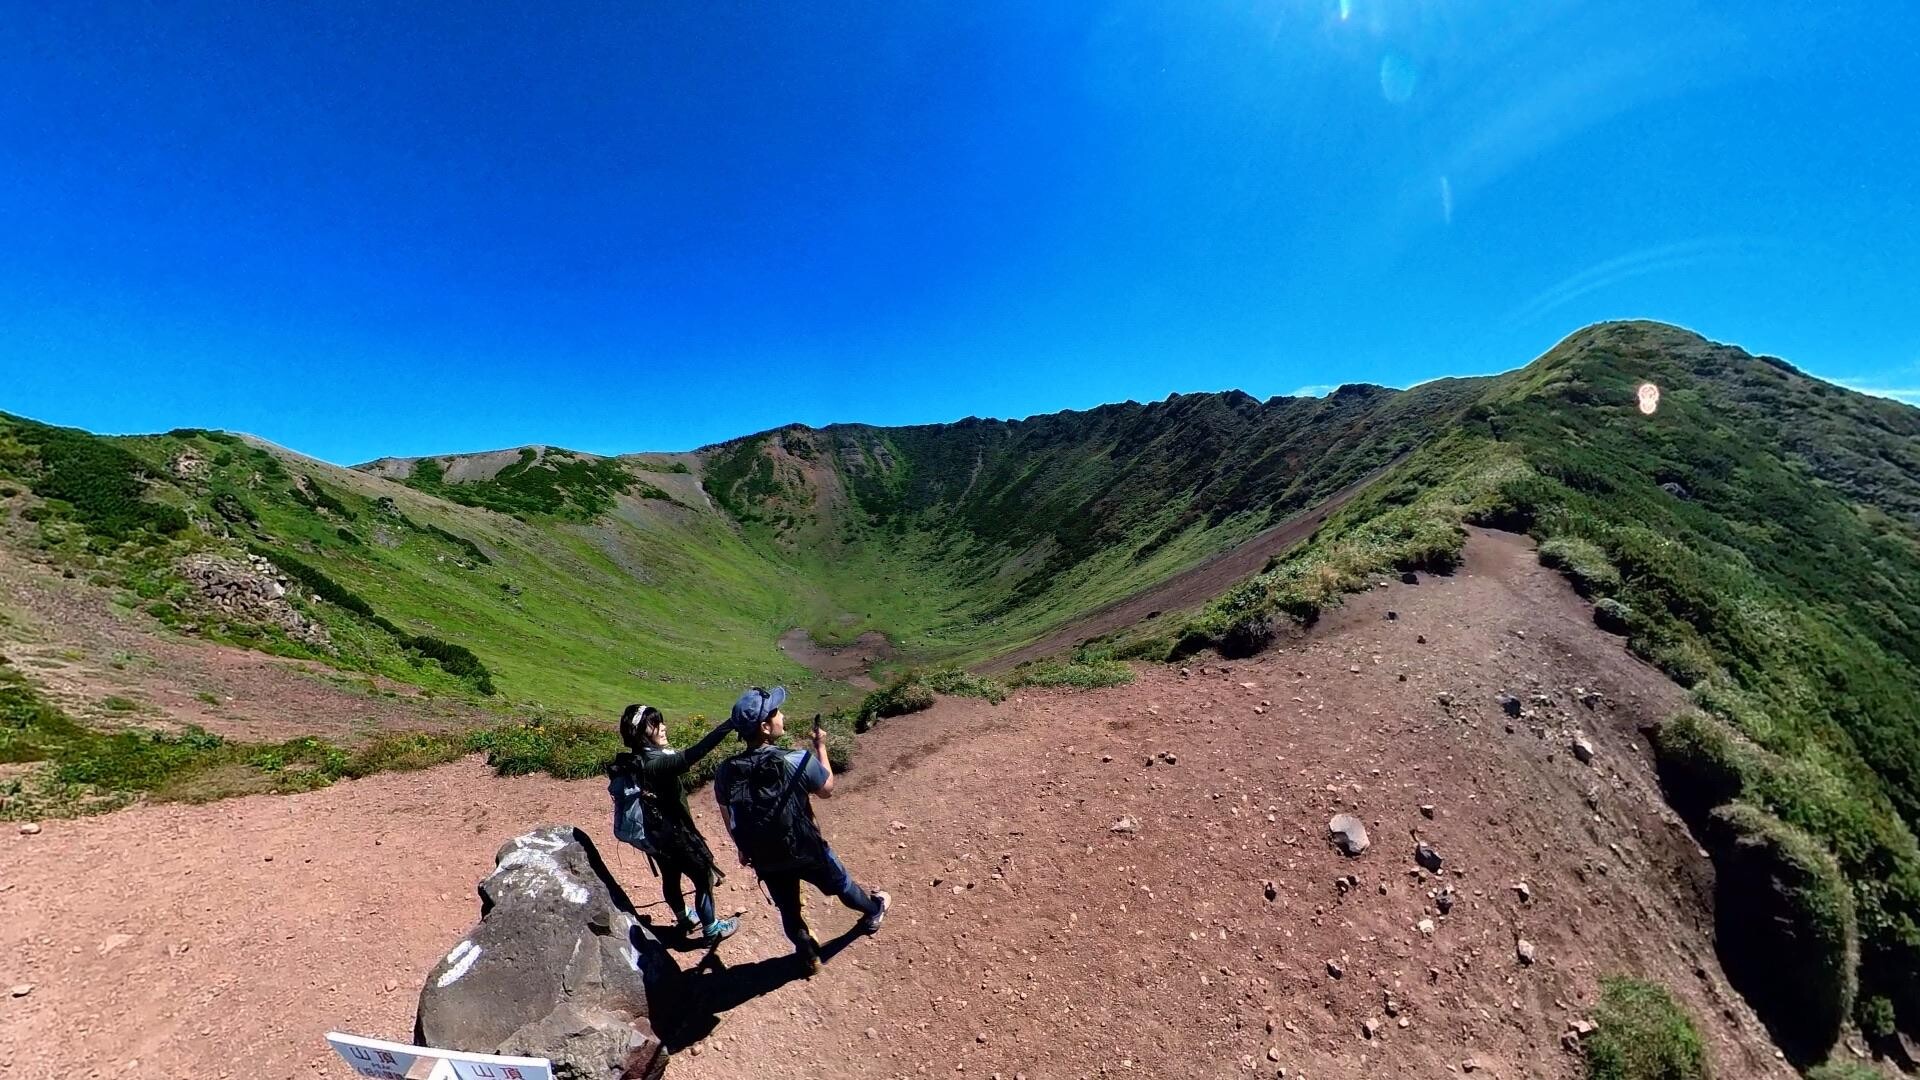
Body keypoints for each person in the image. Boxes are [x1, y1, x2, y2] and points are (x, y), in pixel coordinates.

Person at [713, 686, 890, 975]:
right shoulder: (796, 760)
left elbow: (728, 813)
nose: (782, 715)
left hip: (765, 856)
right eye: (776, 712)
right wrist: (820, 747)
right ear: (764, 727)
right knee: (841, 883)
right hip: (805, 847)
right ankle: (874, 911)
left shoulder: (726, 771)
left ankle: (807, 953)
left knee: (789, 908)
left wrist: (742, 847)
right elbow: (827, 790)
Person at [608, 703, 738, 946]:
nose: (663, 727)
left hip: (656, 834)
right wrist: (728, 725)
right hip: (675, 833)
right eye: (655, 724)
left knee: (670, 875)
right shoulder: (656, 764)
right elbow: (695, 753)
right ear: (641, 733)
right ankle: (712, 930)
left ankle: (684, 918)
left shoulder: (636, 760)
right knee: (703, 877)